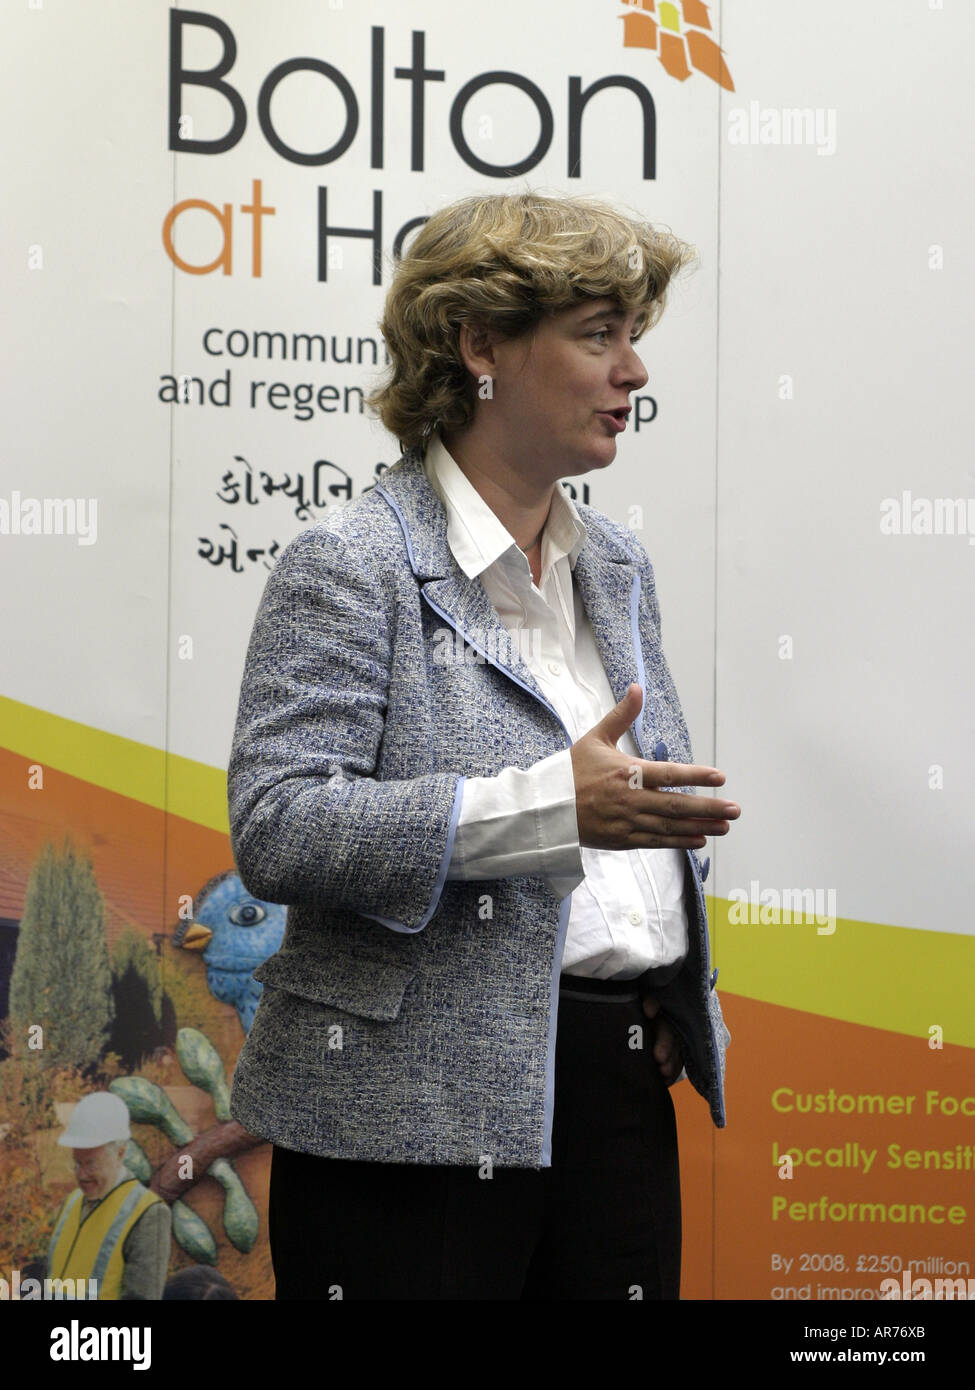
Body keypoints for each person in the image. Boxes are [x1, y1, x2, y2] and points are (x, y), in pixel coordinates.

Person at [227, 190, 740, 1300]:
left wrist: (660, 977)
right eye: (600, 334)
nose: (635, 372)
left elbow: (643, 808)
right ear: (481, 346)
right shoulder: (350, 561)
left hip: (613, 1101)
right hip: (404, 1128)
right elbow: (280, 824)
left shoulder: (615, 565)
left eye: (635, 337)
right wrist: (550, 809)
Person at [47, 1092, 171, 1300]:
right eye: (77, 1163)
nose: (81, 1174)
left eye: (91, 1164)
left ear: (120, 1154)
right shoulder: (72, 1201)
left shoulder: (149, 1213)